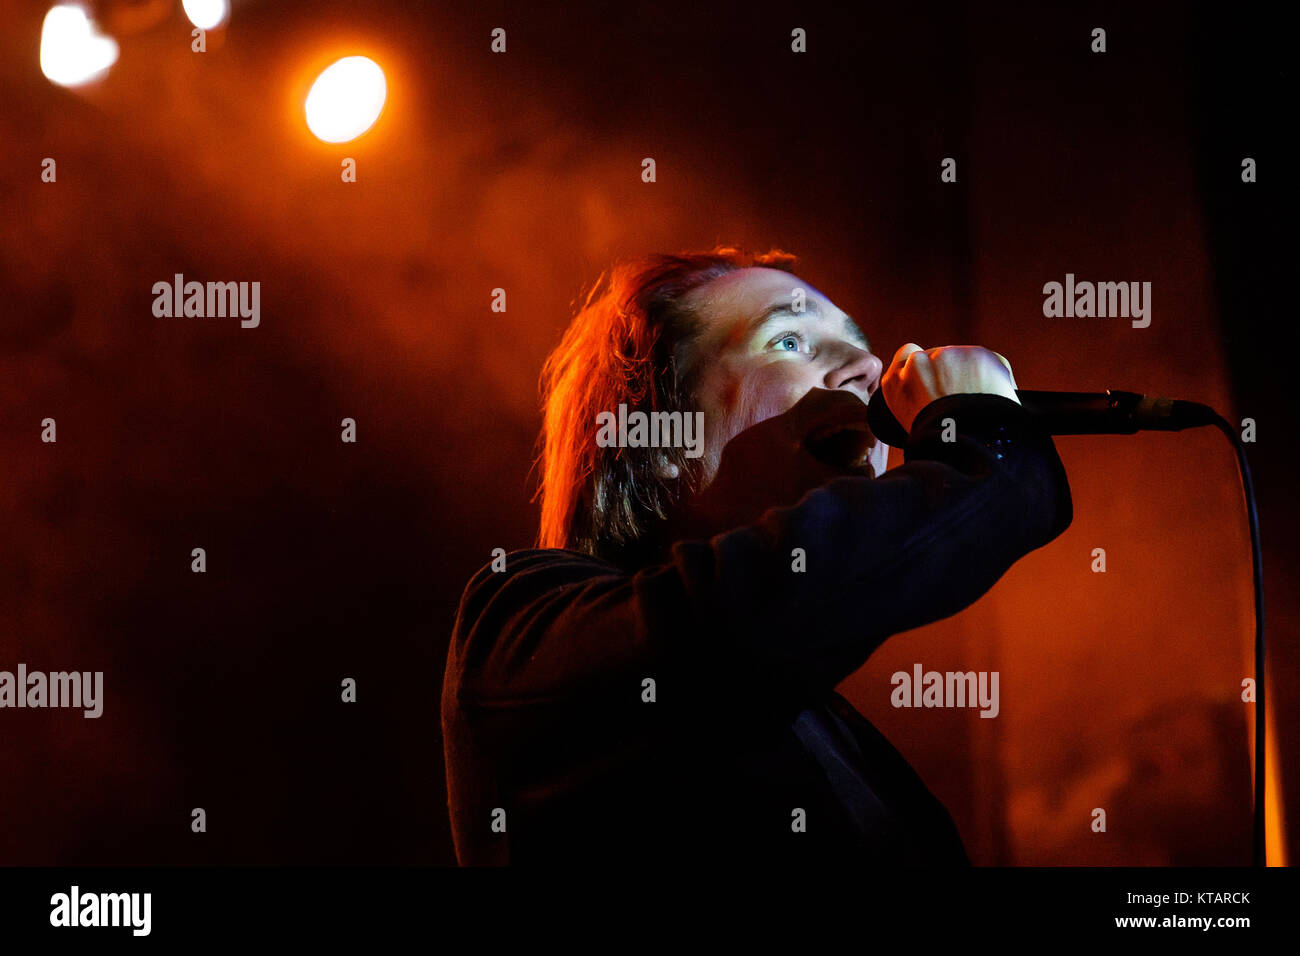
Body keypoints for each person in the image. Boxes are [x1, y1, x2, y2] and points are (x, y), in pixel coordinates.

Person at [441, 247, 1072, 865]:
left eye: (860, 348)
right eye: (790, 342)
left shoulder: (842, 739)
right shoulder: (522, 631)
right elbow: (738, 619)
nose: (869, 367)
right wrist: (989, 444)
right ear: (660, 437)